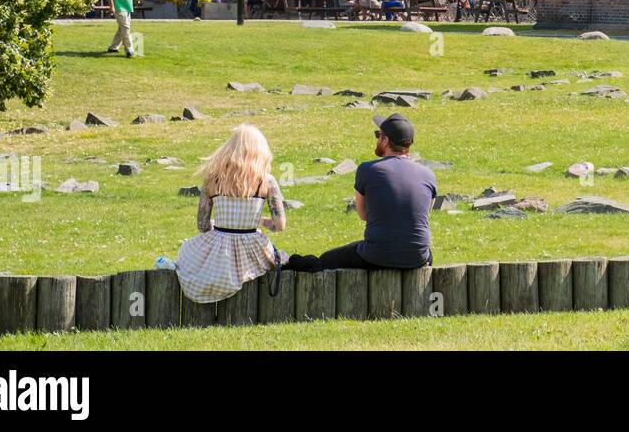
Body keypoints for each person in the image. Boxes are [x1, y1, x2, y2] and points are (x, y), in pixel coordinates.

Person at [284, 113, 435, 272]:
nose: (377, 140)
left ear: (385, 140)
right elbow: (425, 215)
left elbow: (363, 214)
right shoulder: (428, 174)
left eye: (378, 135)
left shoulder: (368, 169)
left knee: (327, 259)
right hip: (418, 258)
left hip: (376, 256)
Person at [173, 124, 289, 303]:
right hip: (253, 250)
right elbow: (280, 226)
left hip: (220, 250)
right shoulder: (266, 181)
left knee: (186, 255)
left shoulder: (213, 179)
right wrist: (260, 221)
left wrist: (220, 225)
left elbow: (202, 226)